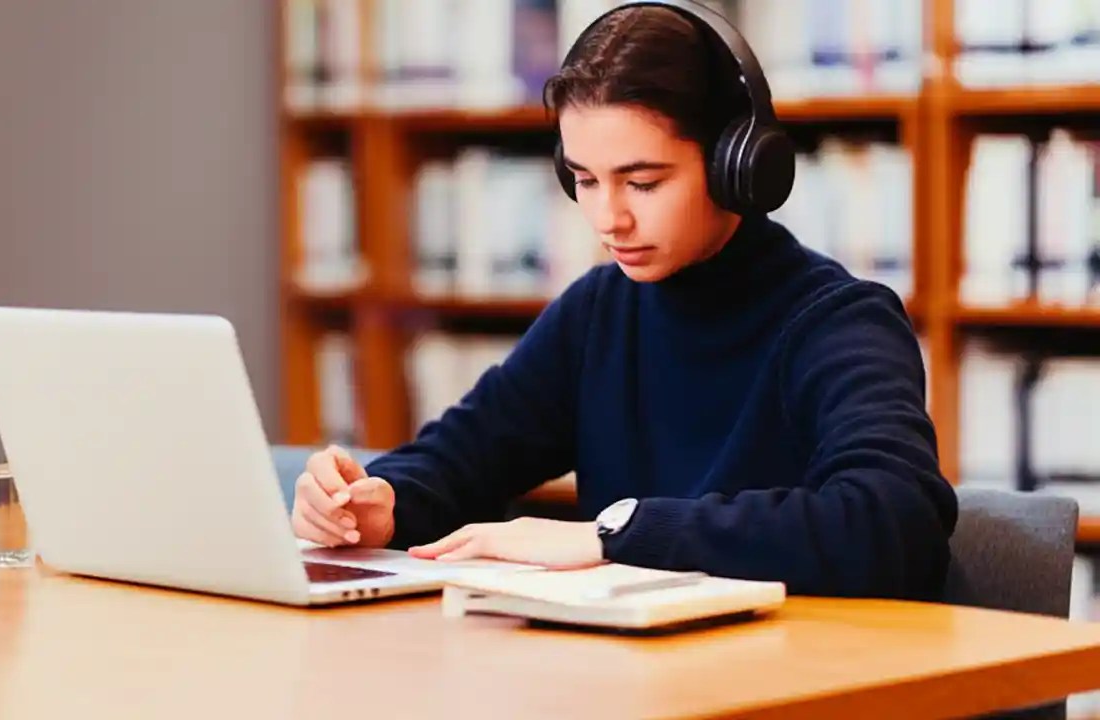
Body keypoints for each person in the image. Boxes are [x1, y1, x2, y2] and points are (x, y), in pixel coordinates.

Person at [289, 1, 958, 601]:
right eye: (584, 179)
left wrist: (618, 532)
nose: (609, 219)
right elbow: (461, 455)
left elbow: (890, 519)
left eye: (642, 182)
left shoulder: (838, 322)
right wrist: (380, 502)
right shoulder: (599, 313)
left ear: (739, 165)